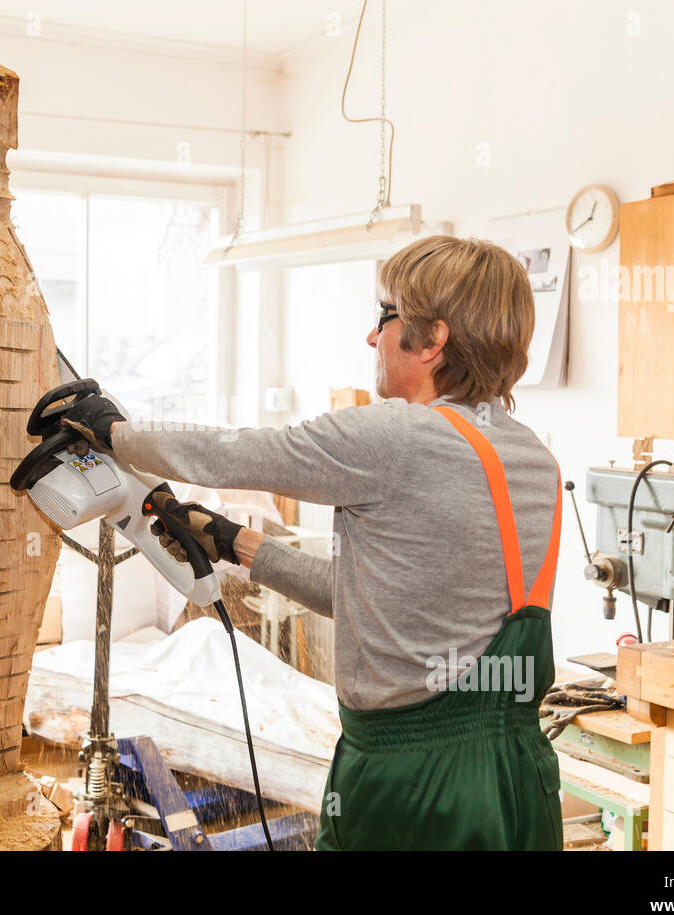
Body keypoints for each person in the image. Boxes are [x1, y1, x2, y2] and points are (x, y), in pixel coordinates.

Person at [58, 234, 564, 850]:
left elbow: (237, 452)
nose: (372, 338)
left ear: (433, 339)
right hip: (515, 776)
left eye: (385, 317)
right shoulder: (532, 459)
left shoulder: (396, 437)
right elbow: (363, 599)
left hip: (412, 782)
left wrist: (113, 432)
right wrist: (234, 542)